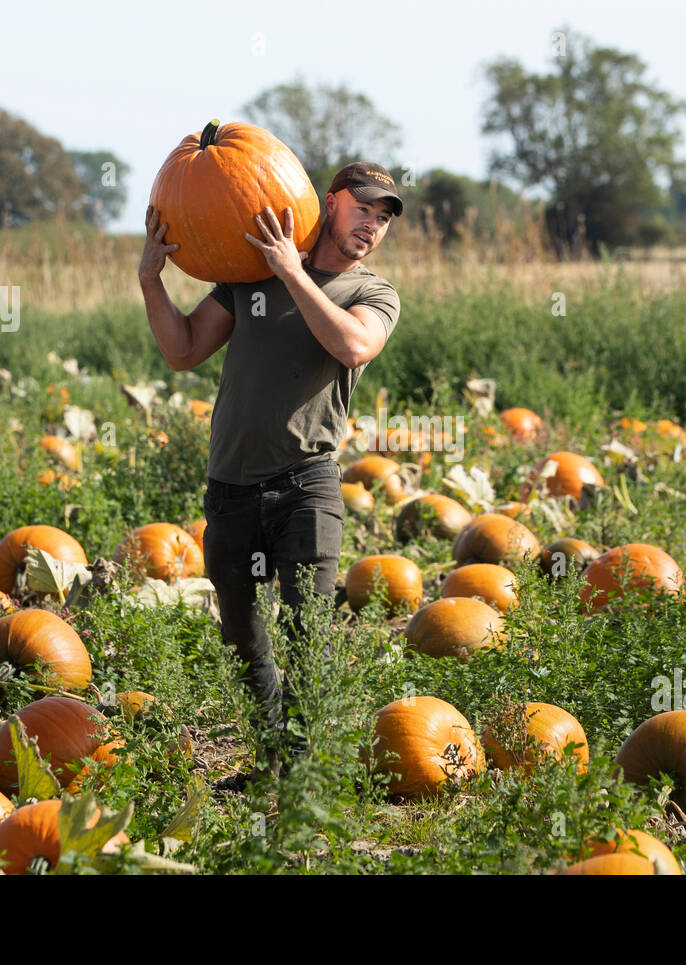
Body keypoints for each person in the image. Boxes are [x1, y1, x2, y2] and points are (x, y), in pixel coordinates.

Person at [138, 162, 403, 778]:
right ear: (329, 203)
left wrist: (291, 271)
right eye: (363, 209)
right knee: (242, 637)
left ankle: (306, 776)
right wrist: (151, 281)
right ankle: (274, 760)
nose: (373, 225)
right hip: (229, 488)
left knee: (308, 630)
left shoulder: (372, 294)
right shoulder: (249, 274)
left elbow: (353, 346)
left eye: (384, 217)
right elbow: (182, 351)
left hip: (306, 485)